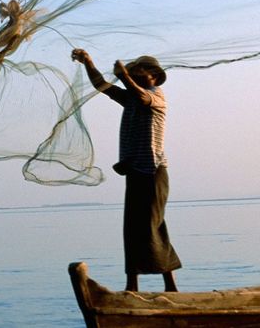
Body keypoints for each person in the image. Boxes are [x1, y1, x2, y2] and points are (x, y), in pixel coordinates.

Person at [71, 48, 182, 292]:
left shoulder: (156, 95)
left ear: (153, 75)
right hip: (135, 171)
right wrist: (88, 61)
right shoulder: (130, 97)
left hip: (153, 172)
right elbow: (102, 85)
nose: (134, 72)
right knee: (132, 227)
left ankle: (170, 286)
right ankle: (133, 286)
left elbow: (142, 98)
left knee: (152, 224)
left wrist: (123, 76)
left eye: (138, 69)